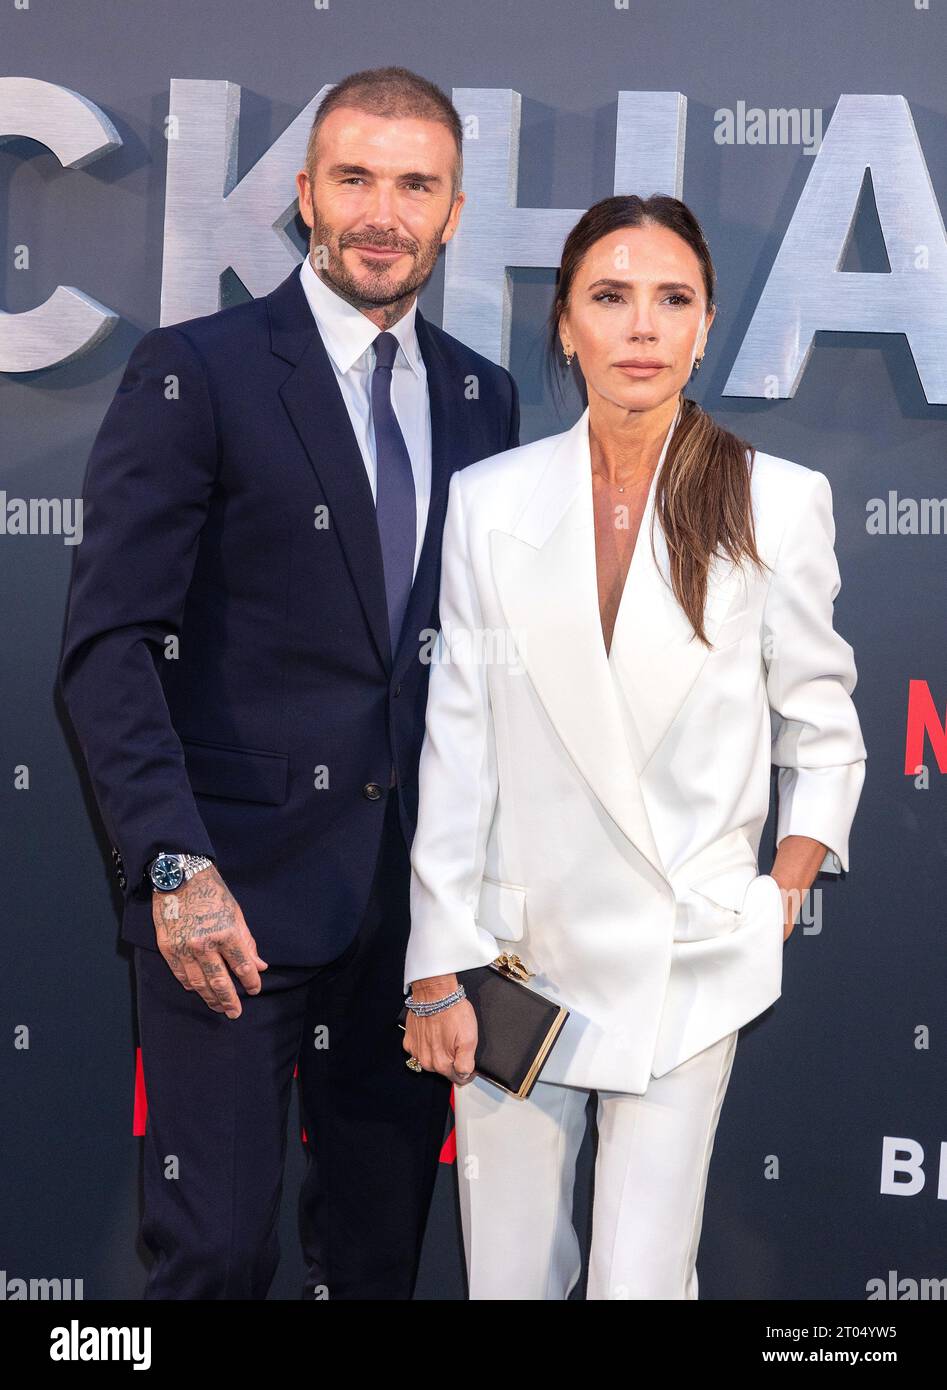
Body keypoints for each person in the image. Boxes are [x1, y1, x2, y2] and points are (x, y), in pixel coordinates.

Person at [57, 65, 519, 1300]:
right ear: (304, 194)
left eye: (415, 184)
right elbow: (108, 647)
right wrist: (170, 861)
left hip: (410, 918)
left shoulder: (486, 396)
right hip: (228, 903)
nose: (383, 211)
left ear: (454, 211)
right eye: (355, 178)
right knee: (212, 1254)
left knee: (374, 1260)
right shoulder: (194, 369)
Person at [402, 193, 867, 1300]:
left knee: (638, 1283)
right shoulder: (490, 501)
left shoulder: (774, 501)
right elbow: (456, 739)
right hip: (514, 961)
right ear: (564, 324)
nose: (642, 328)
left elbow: (825, 728)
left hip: (687, 961)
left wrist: (773, 895)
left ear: (705, 327)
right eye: (610, 298)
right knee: (507, 1278)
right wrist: (434, 962)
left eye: (672, 300)